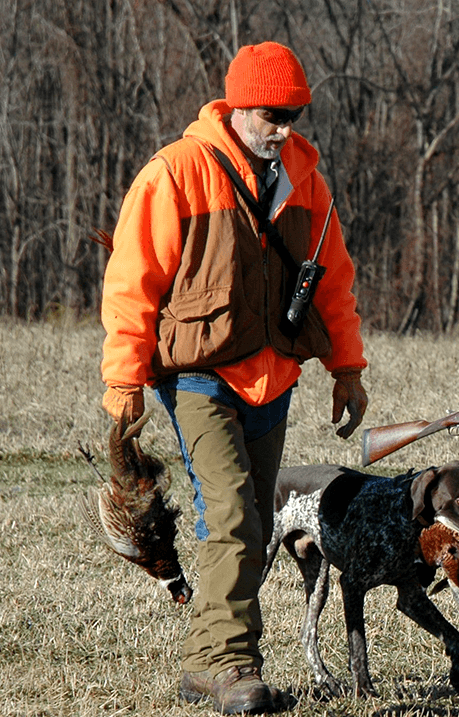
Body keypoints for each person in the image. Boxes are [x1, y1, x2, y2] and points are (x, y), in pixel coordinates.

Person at [100, 41, 369, 714]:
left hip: (272, 378)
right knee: (229, 515)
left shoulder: (304, 178)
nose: (283, 127)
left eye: (293, 114)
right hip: (197, 376)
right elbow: (133, 281)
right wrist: (124, 377)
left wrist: (347, 368)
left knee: (251, 522)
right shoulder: (177, 172)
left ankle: (202, 662)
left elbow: (331, 282)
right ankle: (232, 664)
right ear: (238, 105)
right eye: (271, 114)